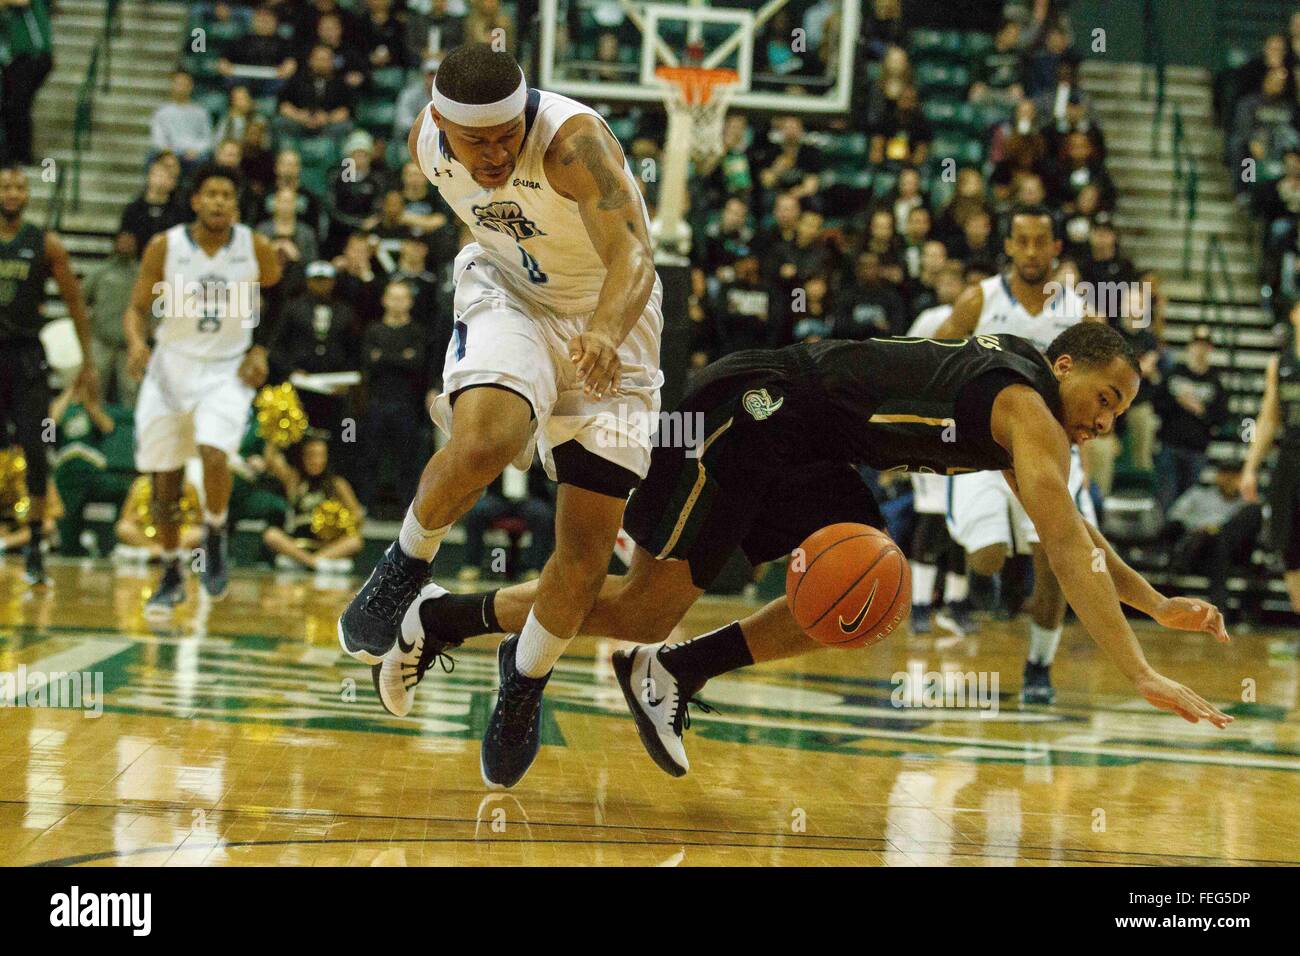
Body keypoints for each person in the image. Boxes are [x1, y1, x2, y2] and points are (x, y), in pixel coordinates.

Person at [388, 324, 1234, 780]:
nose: (1105, 419)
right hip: (755, 409)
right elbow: (1067, 549)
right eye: (1105, 396)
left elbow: (1077, 543)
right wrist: (1140, 671)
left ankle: (674, 673)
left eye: (1119, 413)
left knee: (871, 594)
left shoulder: (1027, 422)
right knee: (639, 607)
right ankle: (443, 616)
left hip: (811, 451)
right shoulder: (1027, 411)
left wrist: (1156, 605)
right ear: (1064, 367)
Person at [338, 42, 663, 791]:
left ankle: (522, 682)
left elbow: (636, 256)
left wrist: (606, 332)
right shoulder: (426, 142)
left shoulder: (573, 145)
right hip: (511, 295)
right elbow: (502, 224)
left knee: (583, 558)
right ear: (441, 127)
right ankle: (403, 567)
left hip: (616, 315)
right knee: (489, 440)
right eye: (473, 142)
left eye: (504, 138)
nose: (490, 155)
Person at [935, 205, 1096, 704]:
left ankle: (1038, 665)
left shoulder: (1079, 314)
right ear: (1007, 245)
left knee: (1059, 565)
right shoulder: (977, 301)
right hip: (983, 451)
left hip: (1048, 456)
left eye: (1039, 242)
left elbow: (1098, 388)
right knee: (987, 556)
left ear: (1055, 248)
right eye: (1021, 241)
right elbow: (930, 364)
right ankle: (980, 590)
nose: (1030, 252)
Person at [123, 163, 283, 616]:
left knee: (215, 452)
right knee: (166, 479)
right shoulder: (165, 246)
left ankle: (215, 531)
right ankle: (172, 570)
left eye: (226, 195)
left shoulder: (255, 246)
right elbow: (136, 309)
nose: (218, 202)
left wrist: (260, 349)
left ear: (235, 203)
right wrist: (137, 343)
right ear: (195, 201)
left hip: (226, 369)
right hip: (170, 366)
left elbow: (279, 297)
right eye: (210, 194)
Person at [0, 164, 98, 585]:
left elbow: (76, 305)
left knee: (37, 450)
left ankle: (37, 547)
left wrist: (89, 363)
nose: (12, 192)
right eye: (5, 185)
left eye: (19, 185)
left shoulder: (46, 243)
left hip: (25, 363)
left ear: (27, 194)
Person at [1241, 300, 1300, 615]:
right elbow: (1267, 419)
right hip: (1290, 460)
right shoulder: (1280, 364)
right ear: (1293, 314)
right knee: (1290, 550)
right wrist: (1251, 468)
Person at [261, 433, 363, 572]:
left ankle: (307, 562)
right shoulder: (294, 480)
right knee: (271, 535)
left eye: (320, 455)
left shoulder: (337, 484)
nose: (316, 460)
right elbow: (271, 460)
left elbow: (357, 514)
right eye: (311, 455)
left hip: (327, 546)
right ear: (303, 457)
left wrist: (339, 523)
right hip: (298, 544)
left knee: (355, 541)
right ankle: (316, 563)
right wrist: (275, 431)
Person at [83, 231, 141, 407]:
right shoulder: (100, 272)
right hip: (101, 341)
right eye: (122, 242)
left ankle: (128, 433)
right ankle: (91, 430)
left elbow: (153, 306)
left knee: (131, 393)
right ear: (115, 244)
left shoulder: (142, 274)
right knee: (94, 389)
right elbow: (81, 299)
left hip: (130, 346)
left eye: (129, 242)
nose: (125, 246)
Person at [0, 0, 53, 166]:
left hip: (34, 54)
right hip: (15, 58)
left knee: (18, 103)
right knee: (10, 105)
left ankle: (22, 155)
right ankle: (10, 155)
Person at [149, 71, 214, 170]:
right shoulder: (162, 111)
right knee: (152, 156)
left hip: (194, 153)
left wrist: (196, 150)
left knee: (204, 160)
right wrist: (167, 151)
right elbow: (158, 137)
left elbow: (207, 138)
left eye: (185, 84)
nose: (181, 88)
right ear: (172, 85)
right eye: (178, 84)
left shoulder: (200, 112)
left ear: (191, 86)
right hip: (170, 151)